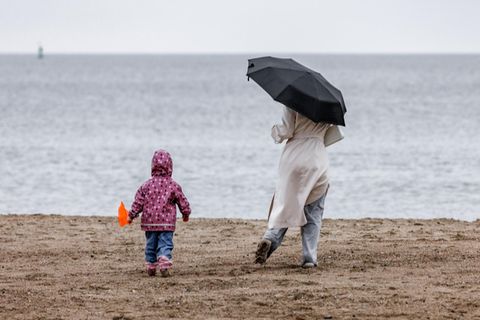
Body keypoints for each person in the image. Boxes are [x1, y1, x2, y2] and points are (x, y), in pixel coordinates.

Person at [255, 106, 331, 268]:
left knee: (286, 204)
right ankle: (309, 257)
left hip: (294, 155)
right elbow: (333, 133)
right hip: (317, 158)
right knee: (314, 210)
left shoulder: (293, 103)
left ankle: (271, 237)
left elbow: (286, 130)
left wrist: (274, 131)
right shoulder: (329, 106)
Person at [128, 149, 191, 277]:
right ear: (170, 167)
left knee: (151, 243)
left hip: (150, 222)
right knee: (165, 242)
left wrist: (131, 214)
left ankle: (151, 265)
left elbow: (138, 202)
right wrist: (186, 213)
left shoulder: (146, 185)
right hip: (166, 223)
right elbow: (182, 200)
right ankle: (163, 260)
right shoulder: (173, 185)